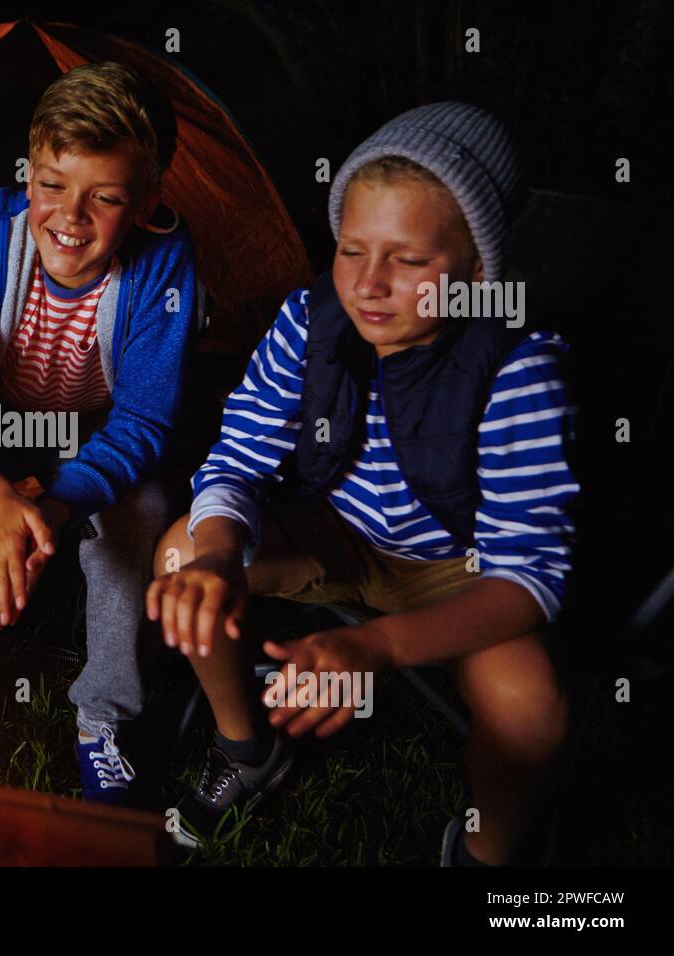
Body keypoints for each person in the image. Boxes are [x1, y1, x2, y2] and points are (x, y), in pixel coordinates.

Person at [147, 102, 579, 862]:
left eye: (409, 261)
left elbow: (531, 578)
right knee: (185, 559)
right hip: (334, 534)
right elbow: (237, 460)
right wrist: (218, 555)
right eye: (351, 250)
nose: (370, 284)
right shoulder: (310, 322)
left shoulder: (518, 366)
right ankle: (247, 750)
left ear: (478, 270)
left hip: (461, 570)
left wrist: (374, 645)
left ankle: (489, 855)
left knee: (529, 706)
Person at [0, 62, 199, 804]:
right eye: (52, 184)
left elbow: (146, 420)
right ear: (30, 172)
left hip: (98, 436)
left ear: (146, 202)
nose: (69, 216)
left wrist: (50, 506)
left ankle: (104, 717)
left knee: (139, 520)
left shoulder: (168, 265)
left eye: (105, 198)